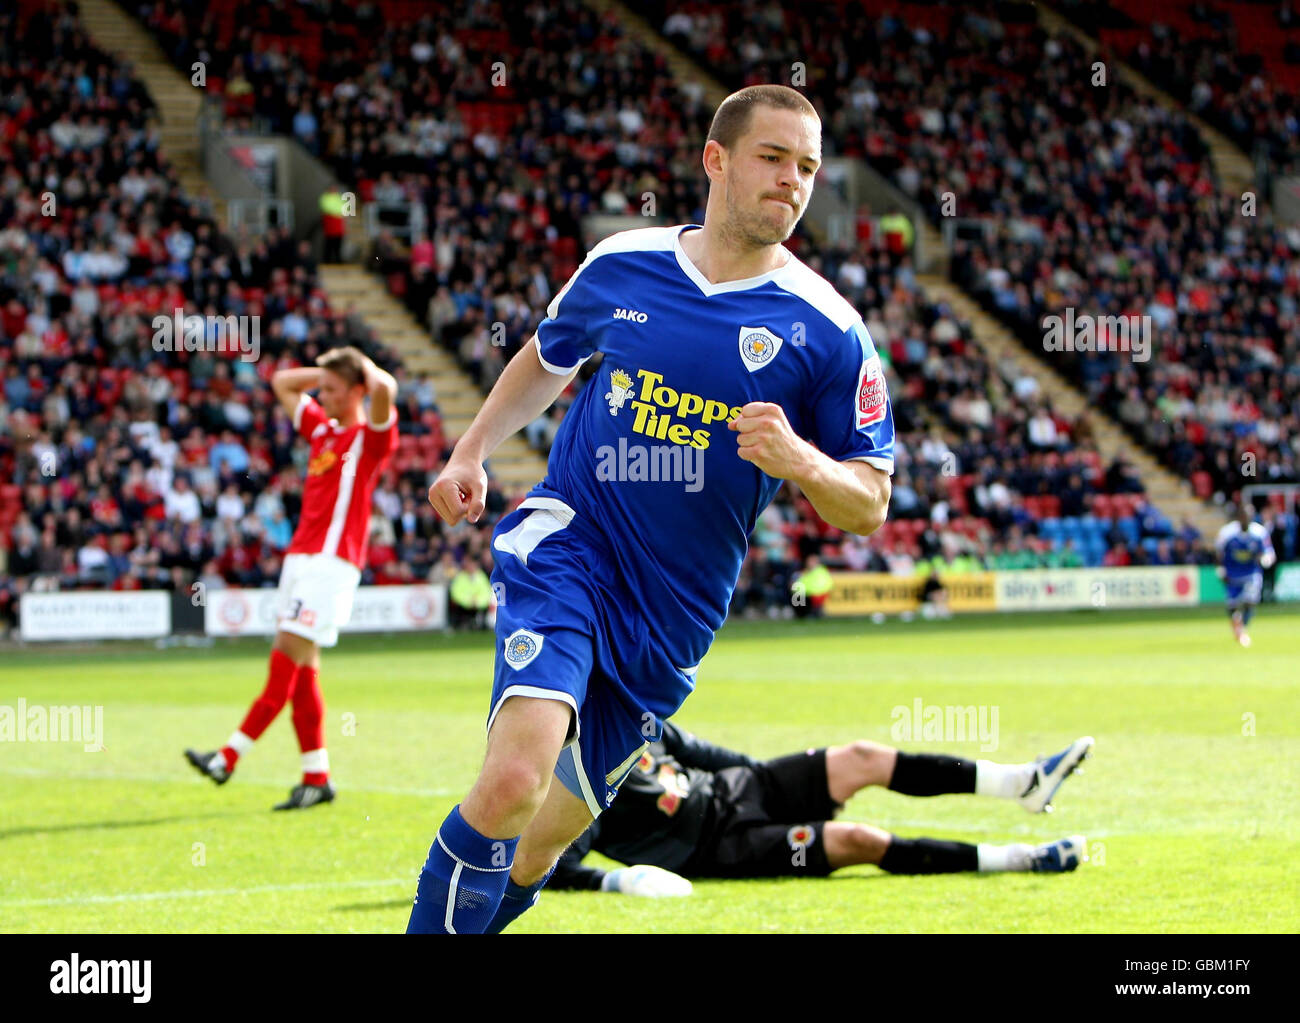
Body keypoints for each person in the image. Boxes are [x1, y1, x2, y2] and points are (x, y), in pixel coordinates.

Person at [406, 84, 895, 934]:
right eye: (772, 157)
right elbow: (548, 355)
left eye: (808, 167)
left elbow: (869, 504)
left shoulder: (830, 328)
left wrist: (800, 459)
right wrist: (470, 448)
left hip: (673, 619)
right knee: (515, 780)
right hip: (573, 549)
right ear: (717, 159)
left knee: (540, 848)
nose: (793, 181)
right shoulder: (623, 264)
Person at [185, 346, 399, 808]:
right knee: (302, 672)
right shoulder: (322, 431)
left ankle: (227, 757)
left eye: (334, 390)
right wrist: (327, 371)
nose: (324, 395)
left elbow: (386, 388)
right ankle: (316, 779)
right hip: (300, 559)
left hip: (331, 563)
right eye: (322, 389)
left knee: (283, 661)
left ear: (357, 390)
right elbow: (282, 381)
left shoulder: (369, 438)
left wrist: (359, 364)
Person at [548, 723, 1094, 895]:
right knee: (861, 841)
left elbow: (699, 752)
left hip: (747, 787)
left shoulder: (630, 714)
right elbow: (555, 868)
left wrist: (776, 776)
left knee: (861, 757)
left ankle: (1023, 782)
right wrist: (617, 885)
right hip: (720, 849)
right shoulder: (570, 790)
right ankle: (1025, 859)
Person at [1215, 501, 1276, 647]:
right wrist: (1220, 570)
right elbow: (1218, 553)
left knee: (1250, 601)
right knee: (1232, 606)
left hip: (1251, 573)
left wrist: (1265, 559)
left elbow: (1269, 552)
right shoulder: (1227, 533)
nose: (1245, 518)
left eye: (1248, 515)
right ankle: (1238, 628)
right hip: (1232, 574)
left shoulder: (1259, 532)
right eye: (1243, 515)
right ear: (1238, 516)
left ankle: (1243, 630)